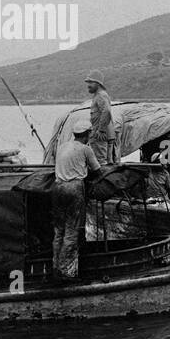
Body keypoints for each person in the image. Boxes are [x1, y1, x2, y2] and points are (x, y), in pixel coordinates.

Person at [50, 122, 101, 280]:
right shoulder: (86, 149)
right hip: (73, 188)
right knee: (72, 231)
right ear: (86, 134)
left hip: (57, 188)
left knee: (59, 230)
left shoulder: (62, 146)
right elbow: (97, 171)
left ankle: (55, 266)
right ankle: (66, 272)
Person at [85, 74, 117, 164]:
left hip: (100, 135)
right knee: (107, 162)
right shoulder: (100, 95)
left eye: (91, 82)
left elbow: (106, 111)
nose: (88, 85)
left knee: (100, 162)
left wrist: (101, 130)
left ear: (98, 83)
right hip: (104, 134)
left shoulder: (100, 95)